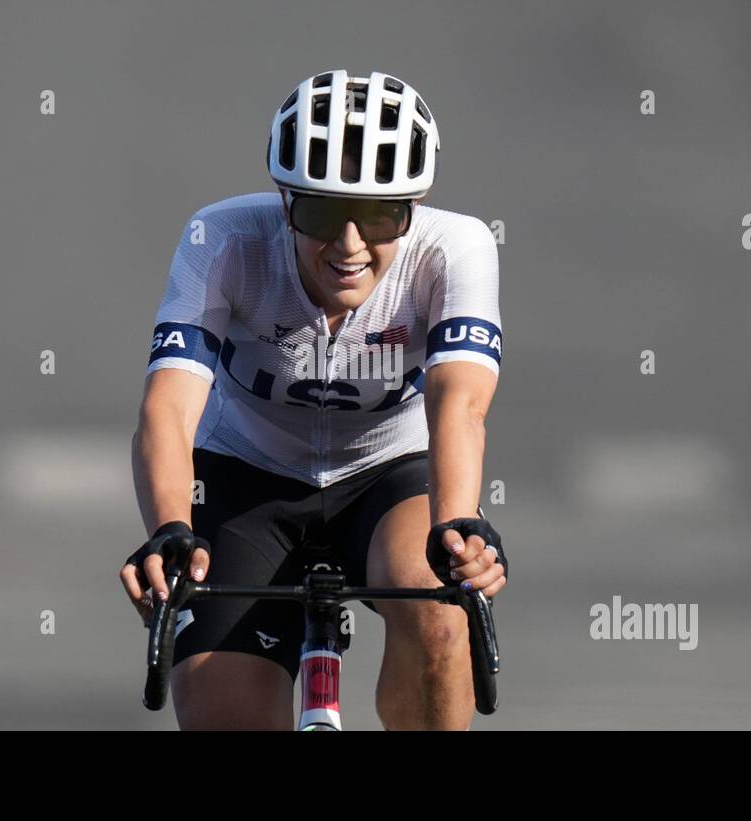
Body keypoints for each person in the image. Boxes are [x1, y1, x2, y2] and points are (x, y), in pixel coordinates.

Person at [121, 70, 506, 729]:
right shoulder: (223, 241)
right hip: (247, 479)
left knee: (440, 616)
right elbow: (168, 407)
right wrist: (169, 528)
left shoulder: (456, 247)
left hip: (388, 477)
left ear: (413, 206)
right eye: (324, 213)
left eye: (382, 215)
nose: (351, 244)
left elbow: (459, 406)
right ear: (284, 199)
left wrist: (457, 522)